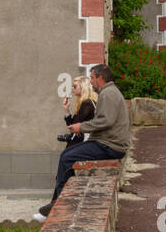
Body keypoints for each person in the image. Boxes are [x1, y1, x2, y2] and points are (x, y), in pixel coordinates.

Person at [36, 64, 129, 221]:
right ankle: (62, 199)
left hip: (110, 146)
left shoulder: (108, 94)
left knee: (67, 157)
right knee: (67, 154)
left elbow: (106, 120)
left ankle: (60, 202)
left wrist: (81, 127)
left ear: (100, 78)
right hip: (108, 143)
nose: (91, 82)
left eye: (92, 78)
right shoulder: (110, 92)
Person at [58, 76, 97, 147]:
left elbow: (73, 125)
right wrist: (66, 109)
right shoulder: (84, 102)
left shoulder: (87, 103)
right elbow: (72, 125)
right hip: (82, 141)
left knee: (66, 156)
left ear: (83, 87)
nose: (72, 88)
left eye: (74, 86)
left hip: (85, 142)